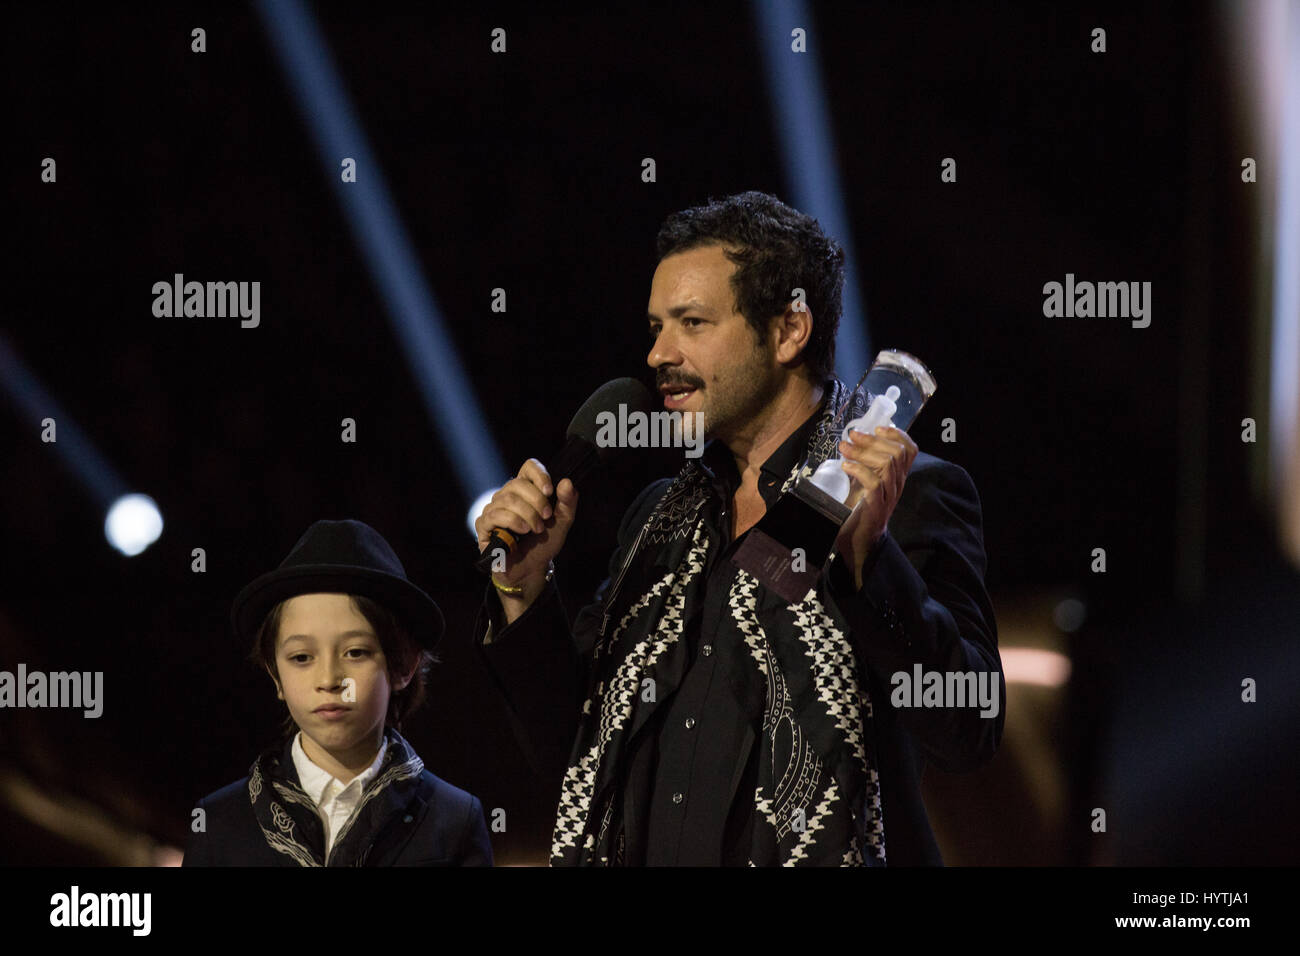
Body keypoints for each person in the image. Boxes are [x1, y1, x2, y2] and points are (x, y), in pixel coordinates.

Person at [473, 191, 1003, 866]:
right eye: (656, 327)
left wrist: (868, 562)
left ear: (789, 330)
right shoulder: (658, 518)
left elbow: (969, 729)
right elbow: (568, 748)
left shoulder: (910, 493)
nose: (660, 353)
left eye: (692, 323)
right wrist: (522, 590)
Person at [184, 519, 493, 866]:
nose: (329, 679)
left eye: (356, 652)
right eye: (301, 657)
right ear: (275, 676)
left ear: (403, 666)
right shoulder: (220, 821)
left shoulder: (453, 821)